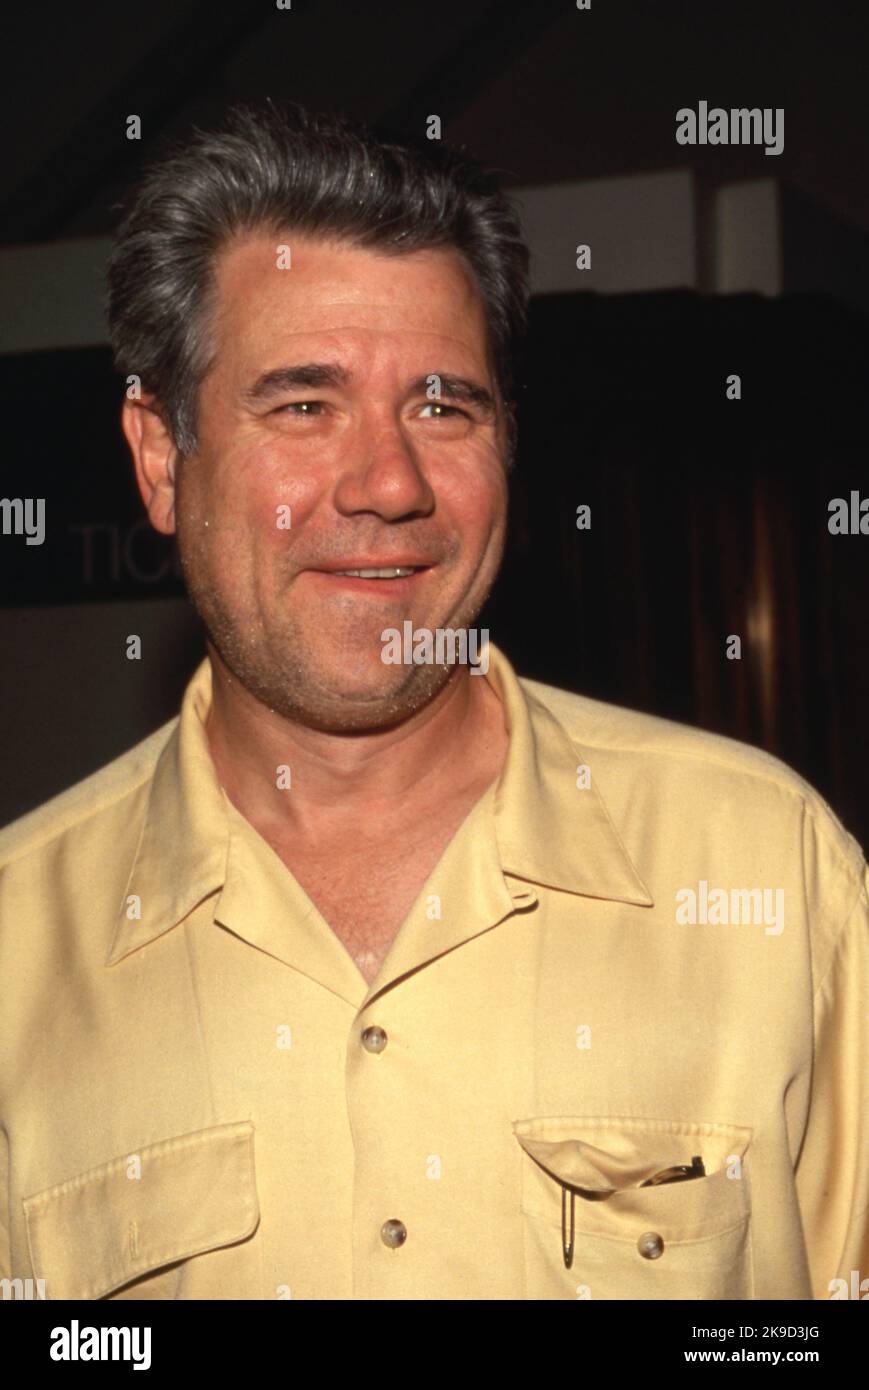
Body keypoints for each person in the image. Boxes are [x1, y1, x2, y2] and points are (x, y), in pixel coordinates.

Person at [0, 101, 866, 1302]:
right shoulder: (16, 950)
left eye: (441, 404)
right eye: (302, 403)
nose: (390, 482)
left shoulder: (773, 871)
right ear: (159, 456)